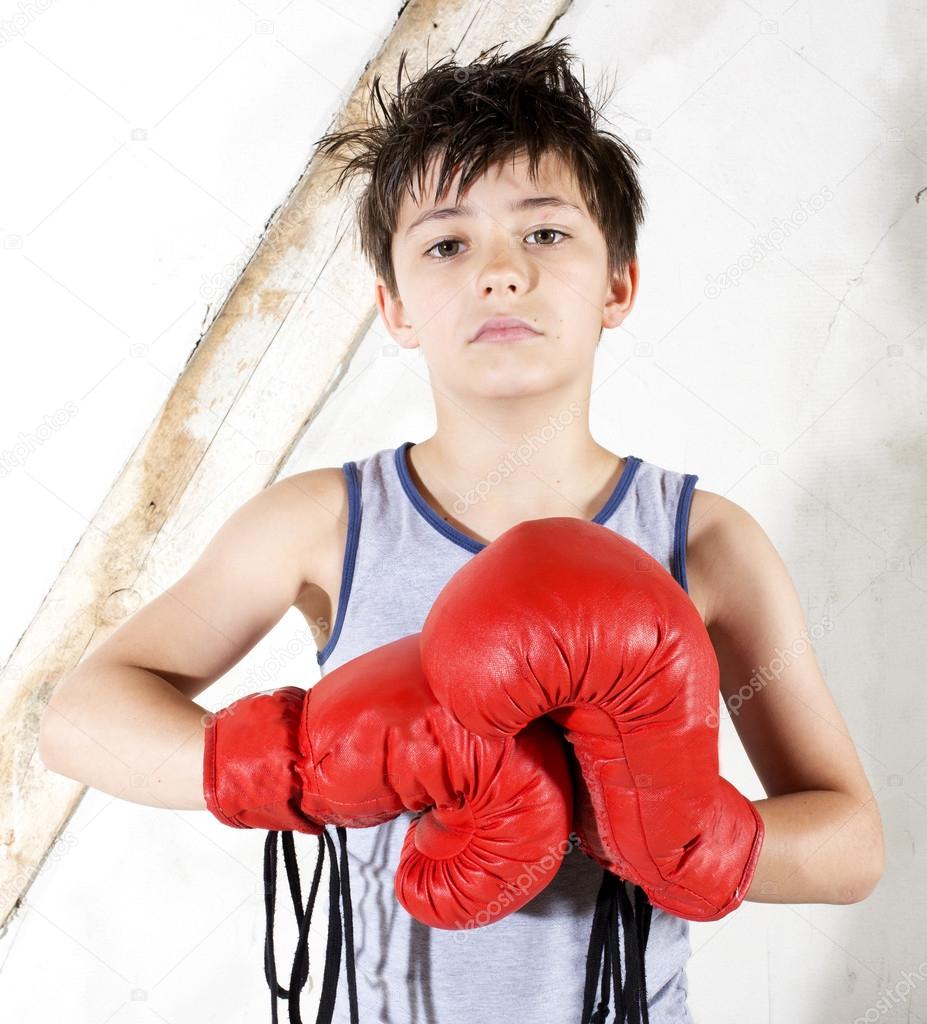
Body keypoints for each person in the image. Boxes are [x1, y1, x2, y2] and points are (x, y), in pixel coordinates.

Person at [39, 37, 885, 1024]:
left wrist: (682, 832)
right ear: (395, 308)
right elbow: (79, 719)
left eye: (545, 233)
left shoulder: (701, 542)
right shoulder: (325, 524)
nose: (500, 272)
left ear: (618, 284)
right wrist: (310, 764)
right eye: (447, 244)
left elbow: (851, 845)